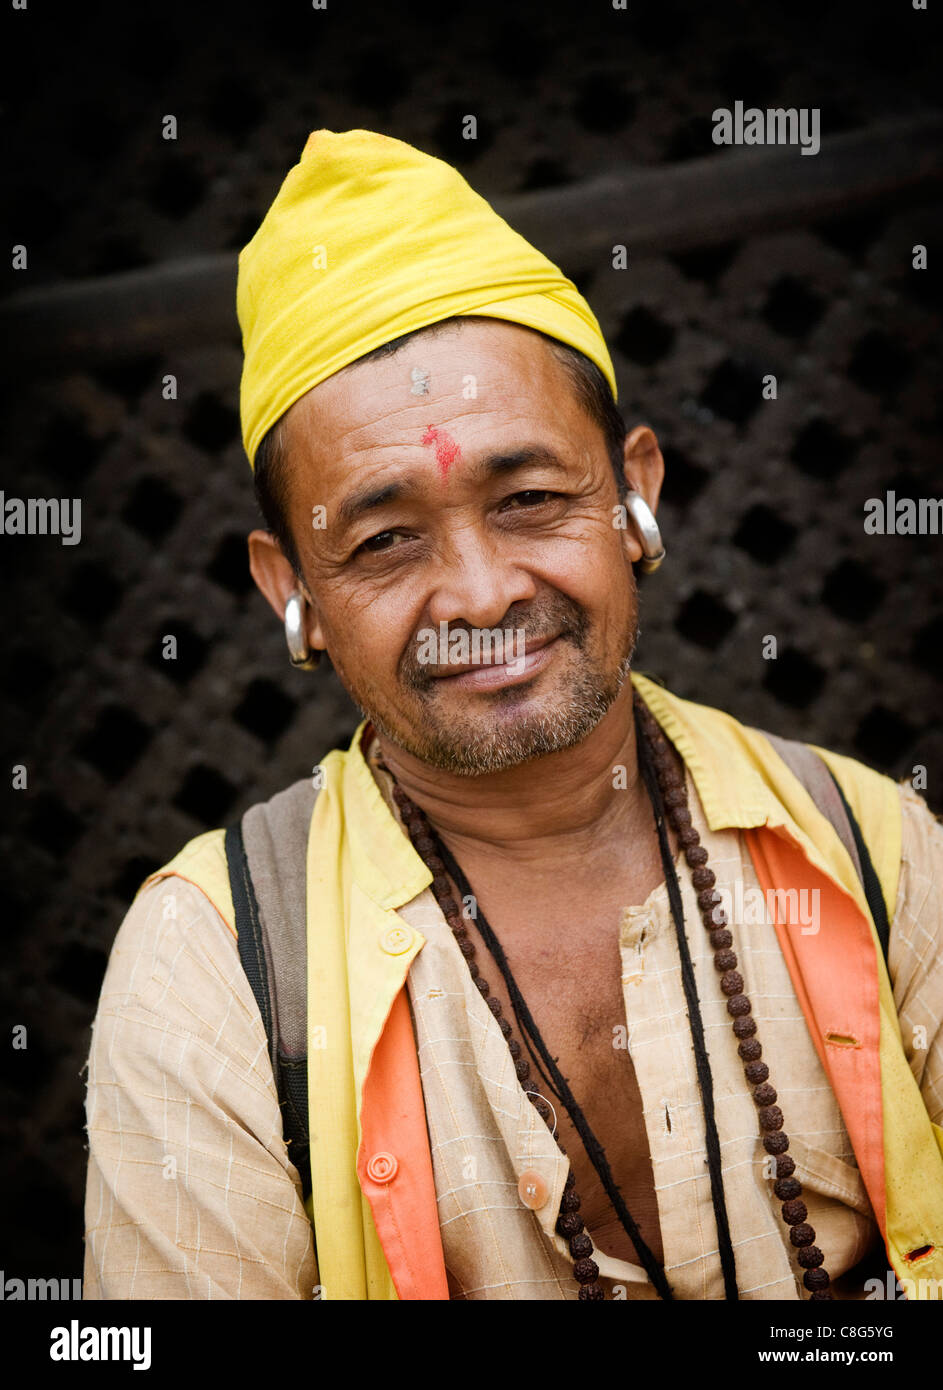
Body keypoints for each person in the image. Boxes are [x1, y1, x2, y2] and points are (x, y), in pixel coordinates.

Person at [83, 129, 943, 1302]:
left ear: (634, 498)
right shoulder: (214, 967)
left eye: (532, 498)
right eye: (385, 540)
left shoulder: (870, 849)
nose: (482, 592)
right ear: (295, 595)